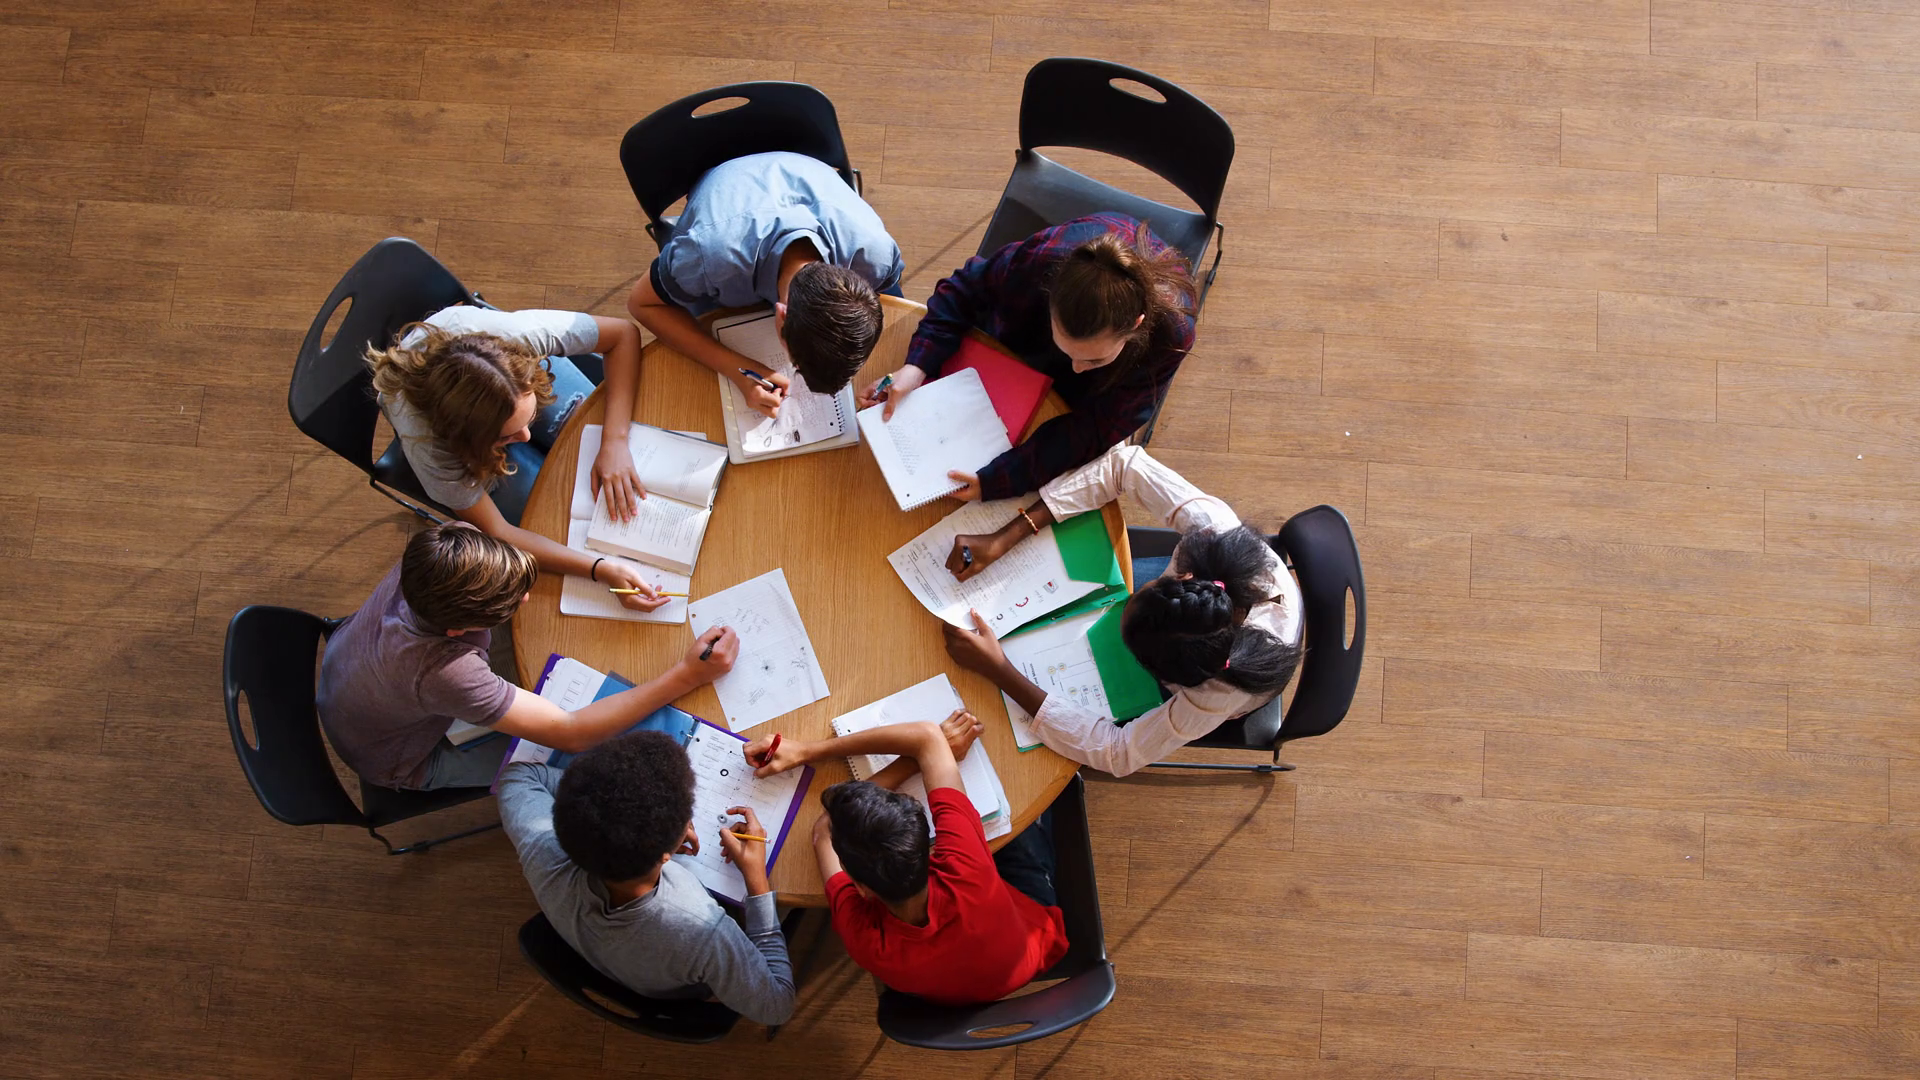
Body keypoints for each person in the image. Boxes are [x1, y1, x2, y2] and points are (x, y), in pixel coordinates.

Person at [938, 444, 1302, 777]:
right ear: (1185, 577)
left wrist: (1000, 670)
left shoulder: (1215, 694)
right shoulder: (1212, 533)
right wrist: (1007, 536)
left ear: (1173, 679)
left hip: (1235, 678)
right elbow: (1125, 465)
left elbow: (1118, 753)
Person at [316, 523, 739, 790]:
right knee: (595, 768)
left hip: (353, 676)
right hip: (402, 757)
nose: (529, 597)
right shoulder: (445, 671)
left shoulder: (441, 549)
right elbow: (571, 732)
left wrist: (600, 568)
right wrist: (687, 674)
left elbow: (502, 535)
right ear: (457, 631)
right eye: (517, 600)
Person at [859, 213, 1195, 502]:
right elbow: (965, 290)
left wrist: (1002, 480)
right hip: (1011, 356)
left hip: (1092, 400)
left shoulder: (1172, 336)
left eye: (1094, 360)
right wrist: (916, 366)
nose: (1076, 369)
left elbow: (1096, 427)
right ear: (1049, 299)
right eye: (1065, 347)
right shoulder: (1044, 261)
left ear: (1136, 327)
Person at [744, 710, 1069, 1006]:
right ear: (927, 848)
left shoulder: (863, 937)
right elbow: (928, 737)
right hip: (1031, 948)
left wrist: (806, 756)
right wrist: (806, 750)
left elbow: (822, 832)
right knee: (1017, 802)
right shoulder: (966, 868)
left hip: (954, 990)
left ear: (860, 886)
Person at [365, 303, 668, 614]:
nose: (525, 437)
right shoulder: (430, 447)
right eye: (505, 438)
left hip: (495, 376)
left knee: (586, 434)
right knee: (551, 514)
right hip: (453, 441)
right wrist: (600, 569)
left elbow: (622, 334)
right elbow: (499, 532)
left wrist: (615, 442)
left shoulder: (518, 338)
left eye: (530, 415)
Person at [497, 731, 796, 1025]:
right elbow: (777, 1006)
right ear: (668, 851)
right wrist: (756, 879)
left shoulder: (542, 849)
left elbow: (517, 776)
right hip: (678, 988)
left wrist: (592, 806)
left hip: (609, 955)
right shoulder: (702, 931)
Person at [627, 151, 904, 417]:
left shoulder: (875, 256)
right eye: (794, 364)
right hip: (729, 187)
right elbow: (641, 304)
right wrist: (737, 368)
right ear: (780, 316)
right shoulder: (710, 257)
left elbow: (889, 299)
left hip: (800, 172)